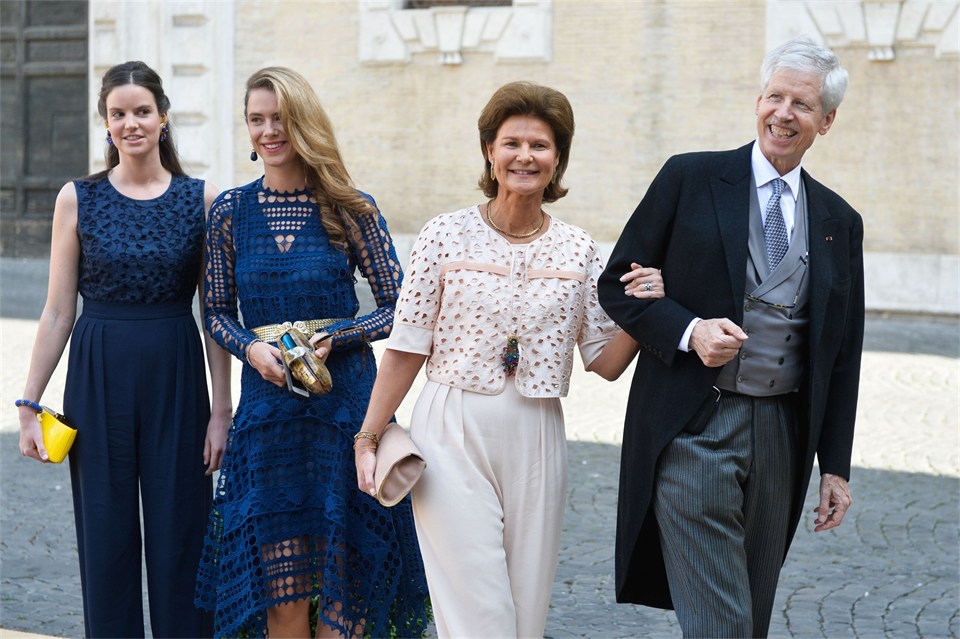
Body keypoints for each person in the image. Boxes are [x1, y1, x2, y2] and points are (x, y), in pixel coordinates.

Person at [354, 81, 664, 639]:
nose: (525, 156)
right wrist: (369, 437)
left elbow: (606, 361)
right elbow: (405, 348)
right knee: (482, 618)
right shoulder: (443, 235)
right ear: (490, 153)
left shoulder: (579, 249)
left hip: (538, 436)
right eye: (512, 142)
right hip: (451, 429)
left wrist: (647, 311)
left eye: (540, 145)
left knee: (524, 619)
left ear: (558, 160)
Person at [597, 37, 865, 638]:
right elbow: (616, 284)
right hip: (693, 425)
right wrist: (689, 331)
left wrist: (836, 465)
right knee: (722, 622)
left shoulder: (838, 221)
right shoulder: (690, 177)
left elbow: (842, 352)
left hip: (783, 434)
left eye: (802, 104)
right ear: (757, 101)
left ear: (826, 121)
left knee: (752, 612)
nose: (784, 114)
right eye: (775, 97)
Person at [194, 66, 429, 638]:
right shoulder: (230, 211)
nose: (268, 131)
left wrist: (337, 337)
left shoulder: (351, 206)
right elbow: (216, 311)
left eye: (280, 118)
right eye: (257, 120)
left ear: (303, 123)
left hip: (345, 412)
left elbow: (402, 307)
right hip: (267, 420)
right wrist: (252, 348)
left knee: (347, 581)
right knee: (281, 587)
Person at [16, 61, 232, 637]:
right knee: (105, 536)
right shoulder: (77, 197)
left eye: (142, 111)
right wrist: (28, 403)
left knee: (182, 534)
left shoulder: (203, 199)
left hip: (177, 372)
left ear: (163, 118)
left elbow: (215, 315)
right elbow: (59, 309)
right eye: (119, 114)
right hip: (97, 372)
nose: (131, 123)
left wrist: (220, 411)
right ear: (106, 124)